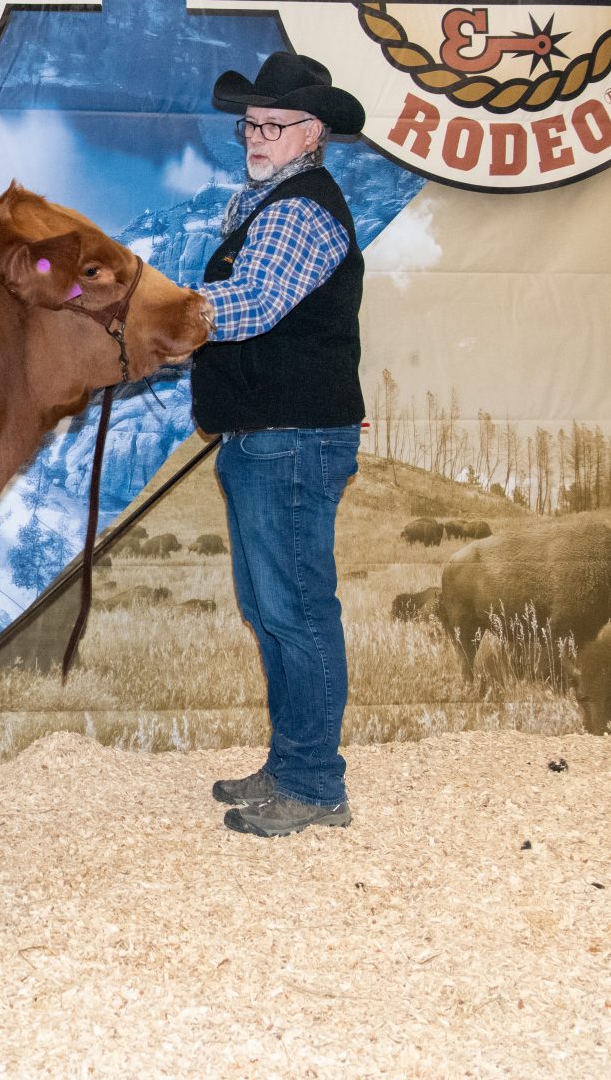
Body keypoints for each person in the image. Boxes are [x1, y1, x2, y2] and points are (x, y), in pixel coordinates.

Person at [192, 51, 367, 838]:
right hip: (267, 436)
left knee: (292, 610)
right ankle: (293, 760)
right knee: (273, 609)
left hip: (290, 438)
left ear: (313, 133)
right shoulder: (265, 203)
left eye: (273, 125)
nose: (256, 137)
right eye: (250, 124)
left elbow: (256, 302)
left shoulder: (299, 209)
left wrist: (162, 312)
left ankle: (314, 783)